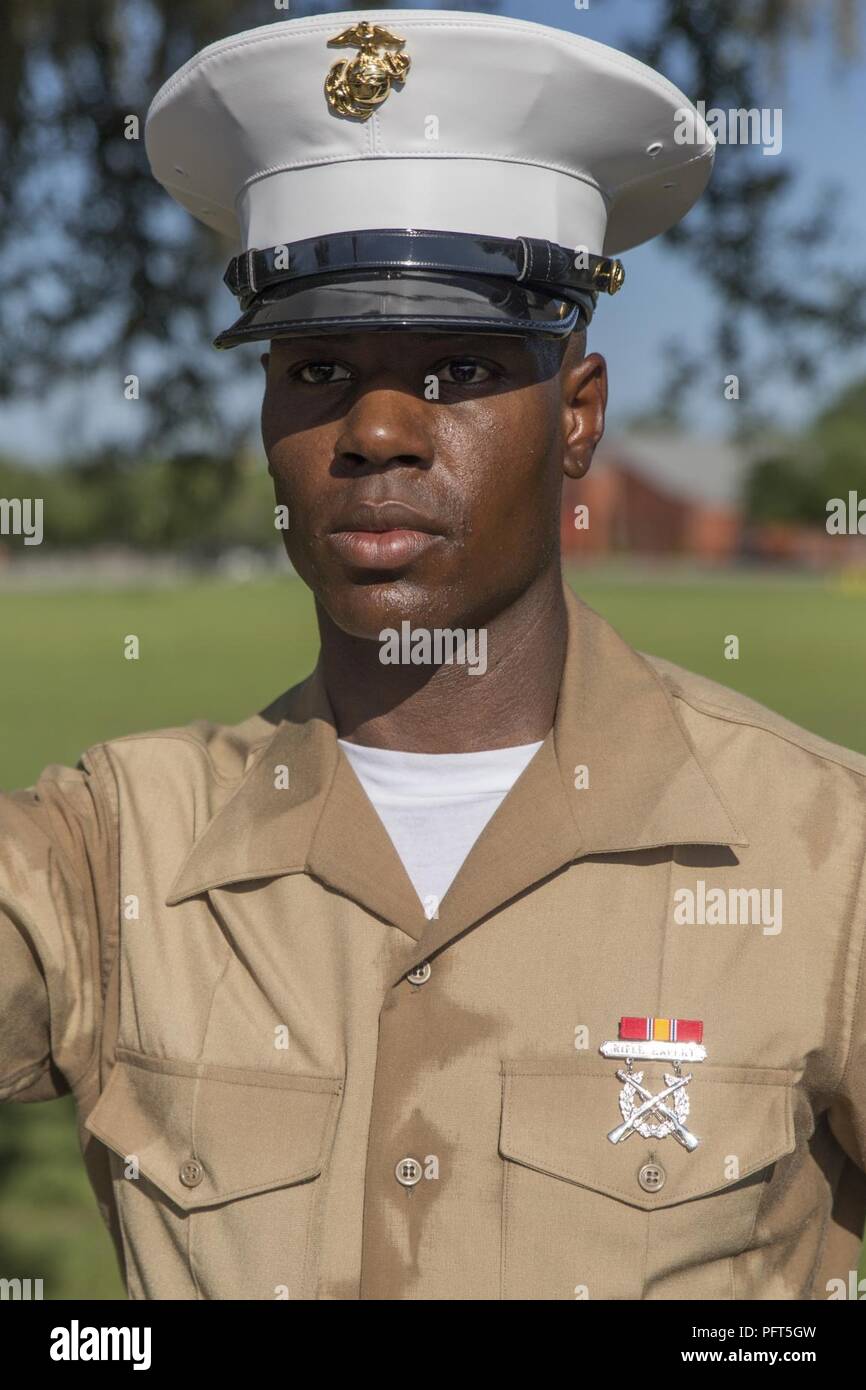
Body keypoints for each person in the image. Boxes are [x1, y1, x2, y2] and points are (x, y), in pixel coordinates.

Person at [1, 8, 864, 1301]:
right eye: (320, 365)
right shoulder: (116, 848)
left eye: (458, 366)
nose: (379, 429)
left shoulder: (824, 854)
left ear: (577, 418)